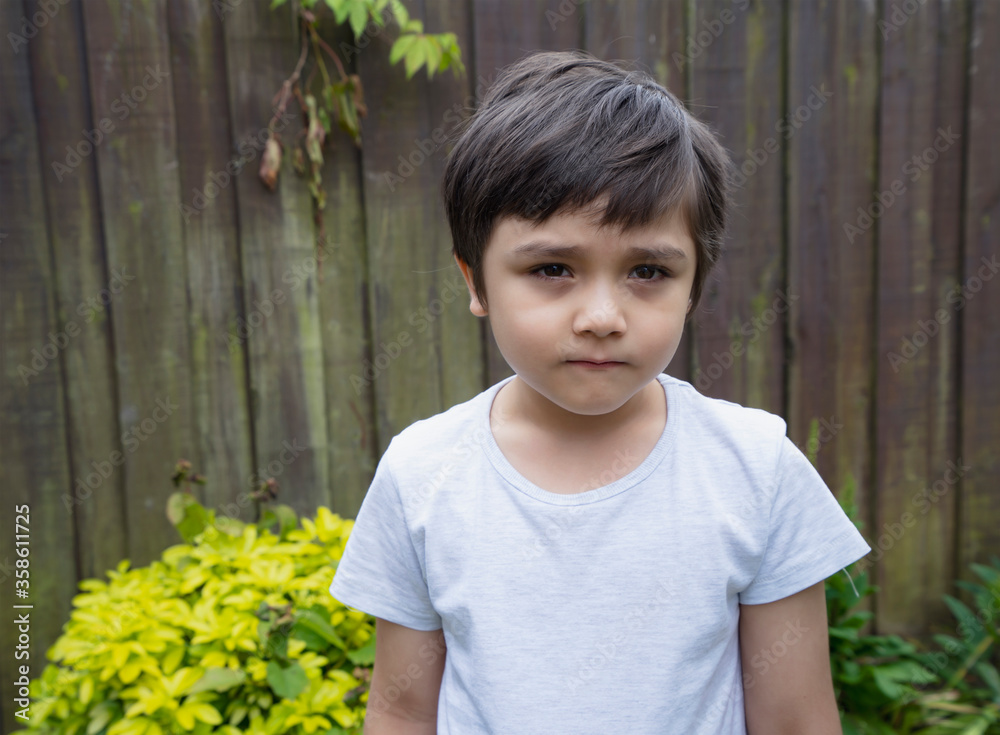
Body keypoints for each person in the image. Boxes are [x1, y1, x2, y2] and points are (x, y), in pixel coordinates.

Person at [330, 49, 870, 734]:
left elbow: (795, 721)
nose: (602, 316)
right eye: (553, 267)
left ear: (693, 284)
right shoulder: (422, 474)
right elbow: (403, 710)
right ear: (475, 281)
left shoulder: (756, 471)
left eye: (647, 271)